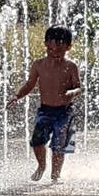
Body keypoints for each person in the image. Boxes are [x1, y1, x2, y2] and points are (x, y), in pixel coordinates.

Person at [7, 25, 81, 182]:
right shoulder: (39, 65)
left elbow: (79, 87)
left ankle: (55, 176)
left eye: (59, 50)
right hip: (45, 111)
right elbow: (29, 84)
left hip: (64, 112)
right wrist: (17, 96)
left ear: (68, 47)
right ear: (46, 44)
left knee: (58, 145)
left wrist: (72, 93)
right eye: (51, 49)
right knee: (37, 141)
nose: (54, 53)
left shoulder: (71, 66)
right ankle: (42, 166)